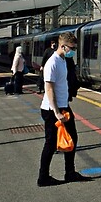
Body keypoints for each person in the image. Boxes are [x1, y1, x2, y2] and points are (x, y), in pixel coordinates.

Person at [38, 31, 83, 186]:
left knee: (73, 138)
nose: (73, 51)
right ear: (63, 46)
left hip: (63, 106)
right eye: (72, 48)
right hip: (52, 110)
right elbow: (49, 89)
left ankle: (70, 173)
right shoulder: (53, 62)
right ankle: (43, 178)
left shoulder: (63, 60)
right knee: (50, 144)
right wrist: (56, 112)